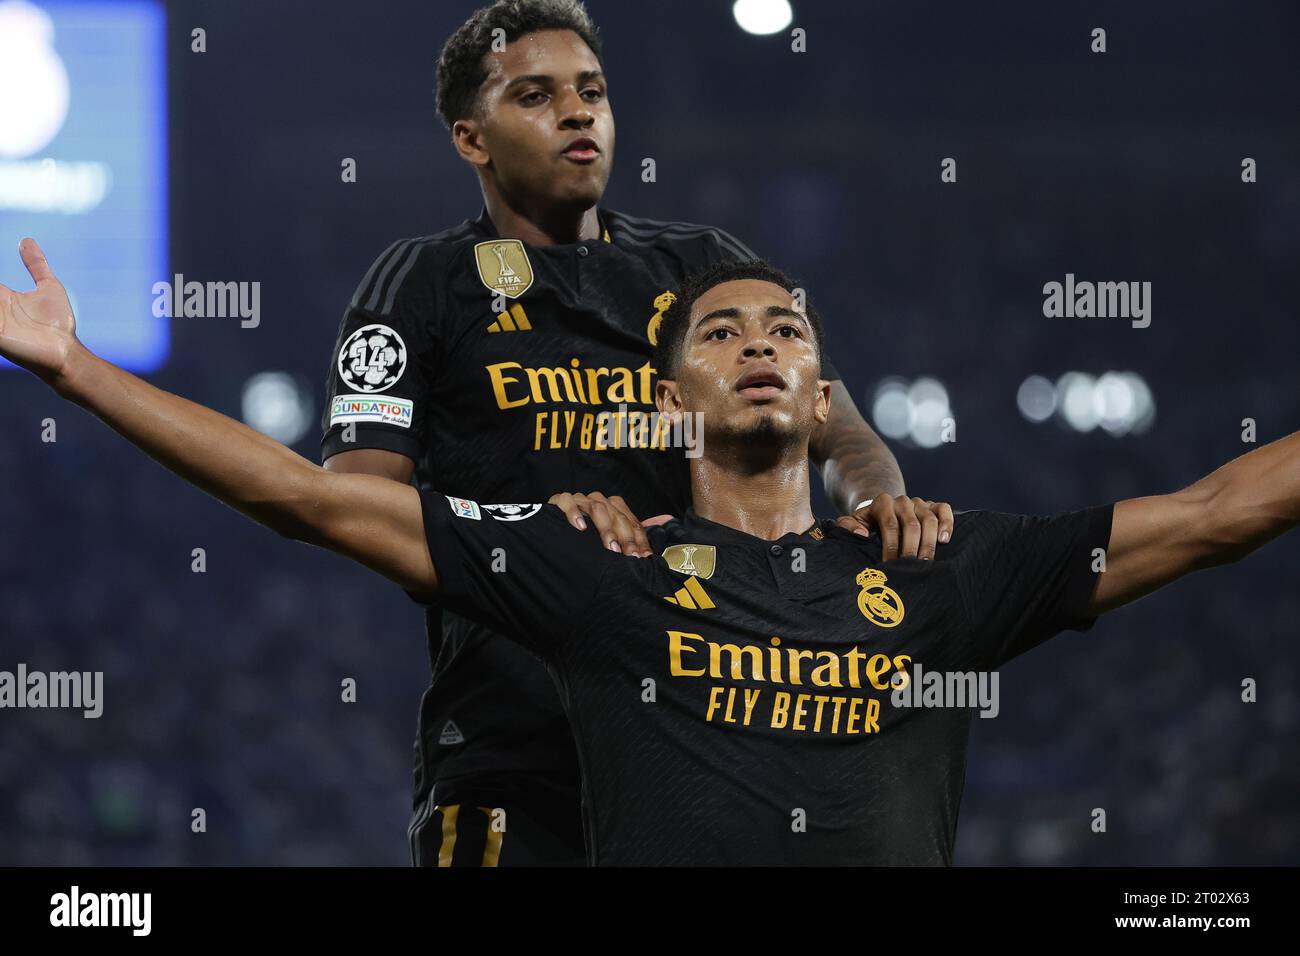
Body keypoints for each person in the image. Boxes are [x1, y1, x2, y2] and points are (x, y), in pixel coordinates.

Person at [5, 242, 1296, 864]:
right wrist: (77, 368)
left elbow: (1222, 509)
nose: (757, 343)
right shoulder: (599, 565)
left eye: (783, 329)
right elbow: (311, 499)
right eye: (722, 331)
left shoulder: (938, 567)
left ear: (821, 386)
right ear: (671, 404)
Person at [321, 0, 952, 865]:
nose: (578, 112)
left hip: (704, 741)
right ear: (473, 139)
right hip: (517, 761)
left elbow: (836, 430)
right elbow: (358, 501)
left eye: (593, 91)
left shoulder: (699, 268)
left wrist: (881, 502)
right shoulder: (421, 282)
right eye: (536, 96)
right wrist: (536, 538)